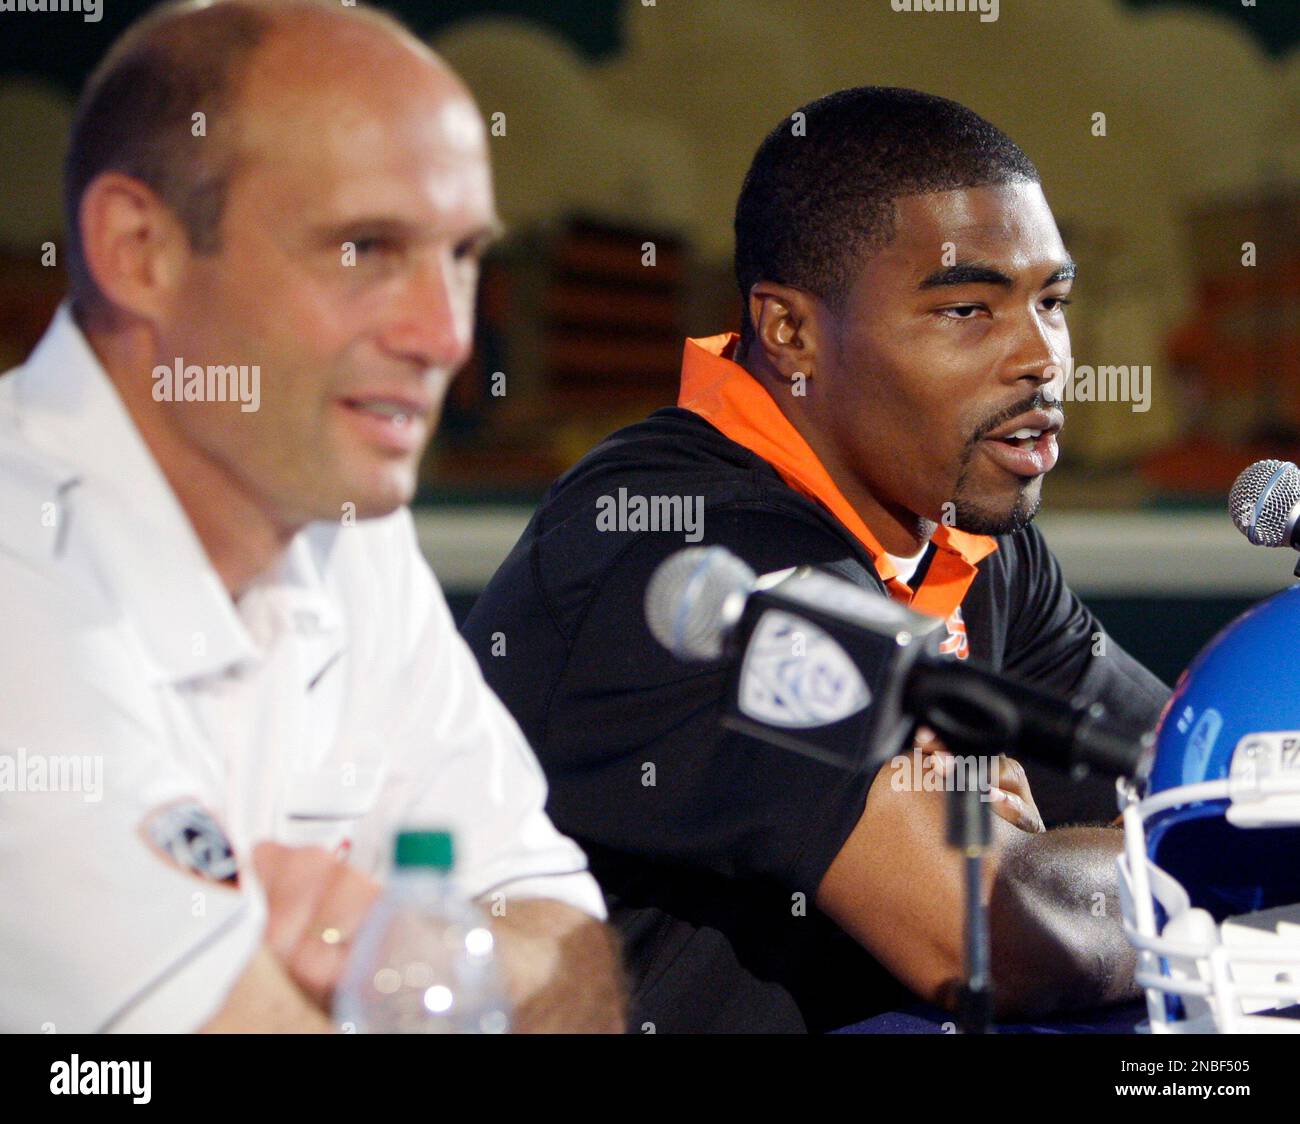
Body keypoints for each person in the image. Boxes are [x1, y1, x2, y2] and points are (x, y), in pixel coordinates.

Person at [462, 87, 1171, 1033]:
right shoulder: (684, 556)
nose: (1041, 356)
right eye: (968, 309)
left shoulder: (967, 529)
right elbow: (992, 935)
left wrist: (1067, 853)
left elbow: (1200, 776)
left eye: (1054, 301)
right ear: (790, 332)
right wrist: (1105, 862)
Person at [0, 0, 623, 1033]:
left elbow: (573, 952)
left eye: (463, 255)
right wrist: (443, 978)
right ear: (138, 247)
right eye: (366, 247)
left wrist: (394, 956)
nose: (445, 334)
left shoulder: (346, 525)